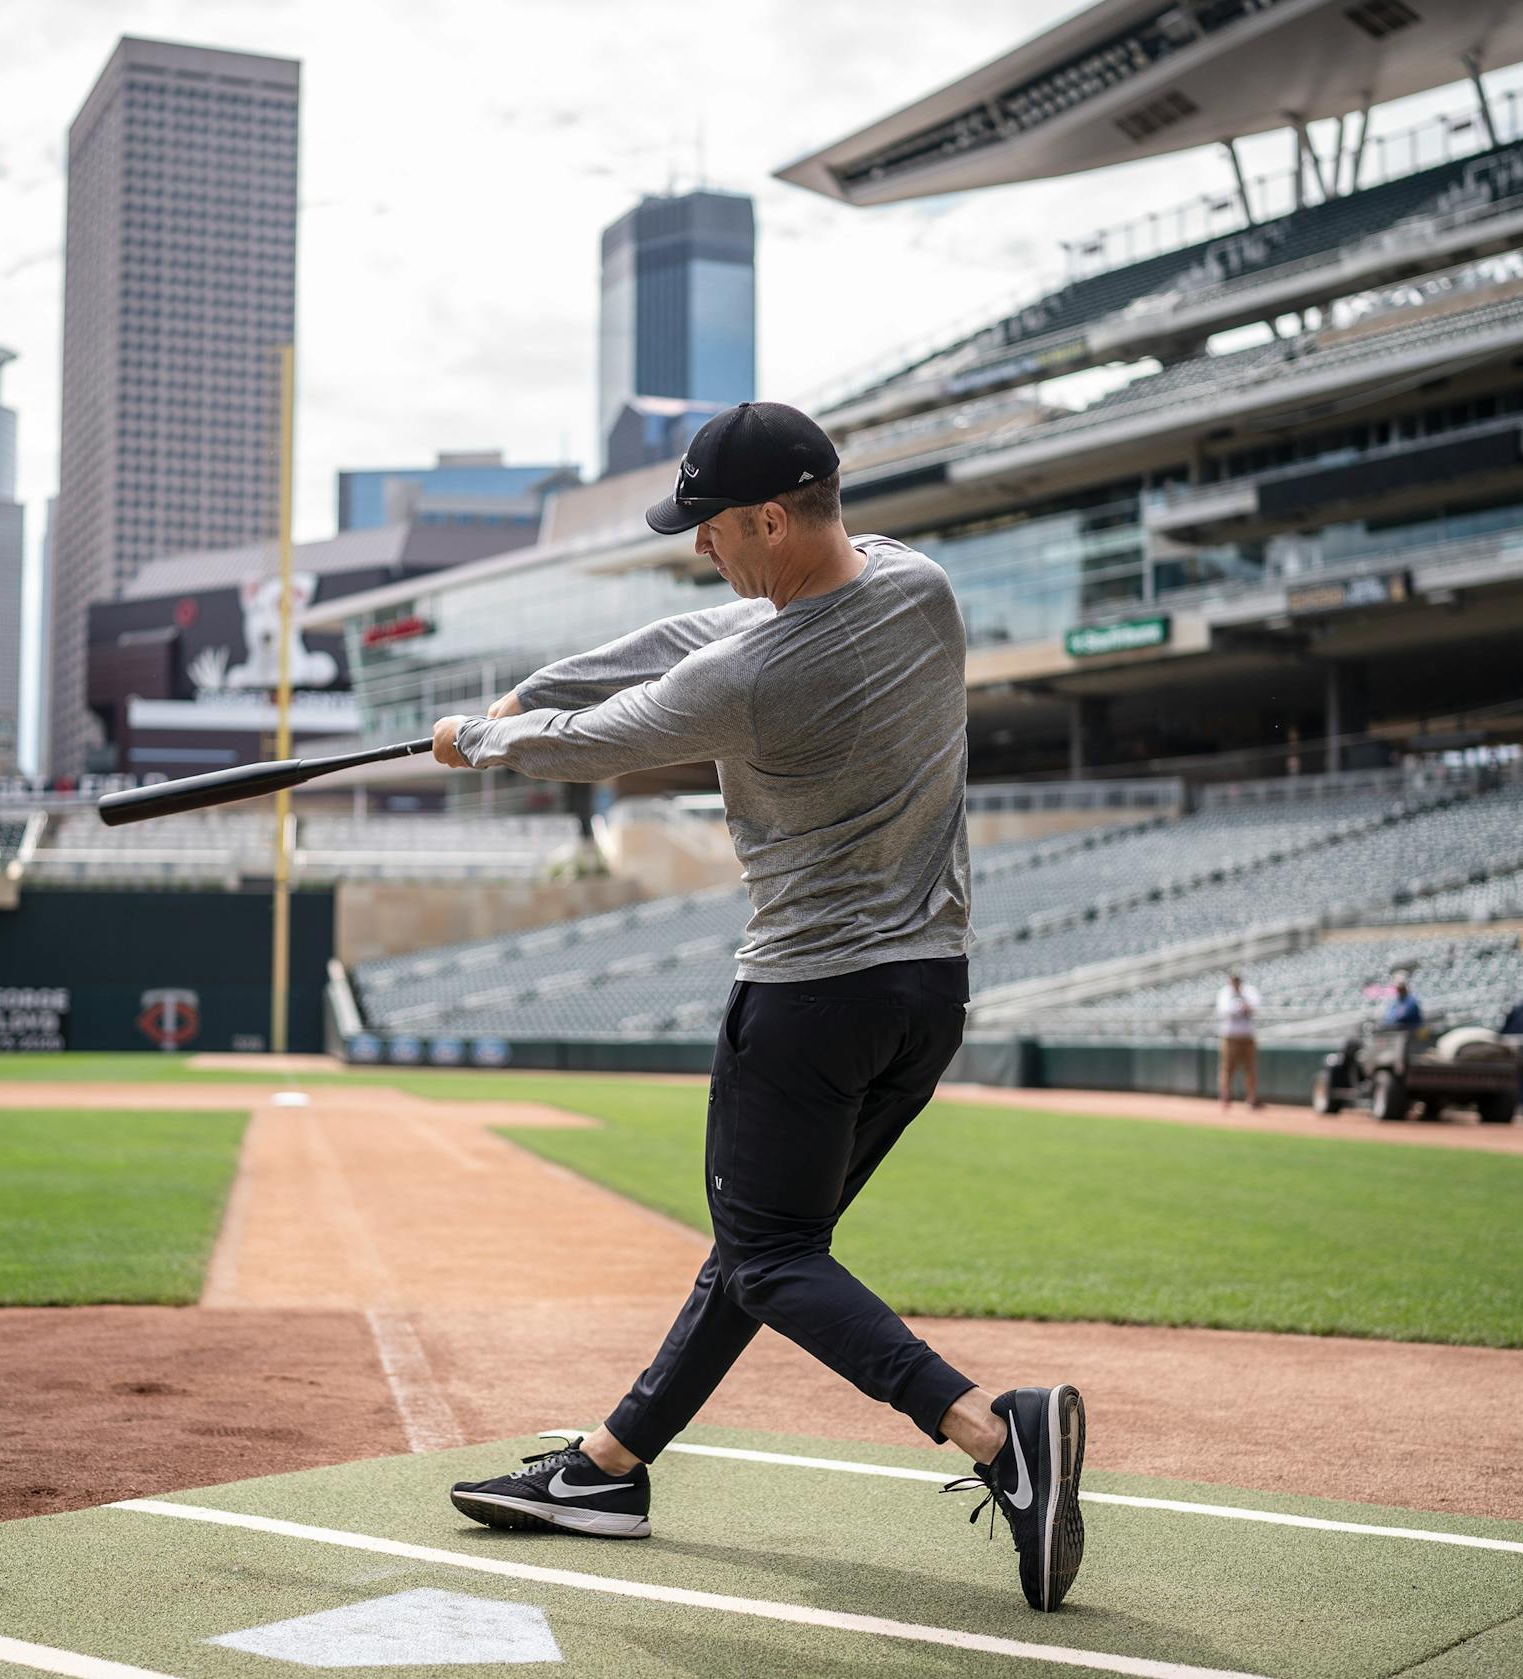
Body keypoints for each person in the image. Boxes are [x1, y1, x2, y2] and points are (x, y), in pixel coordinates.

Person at [428, 402, 1086, 1612]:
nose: (699, 545)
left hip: (808, 996)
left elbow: (603, 739)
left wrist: (480, 737)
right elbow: (695, 625)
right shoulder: (916, 584)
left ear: (772, 518)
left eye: (713, 527)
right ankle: (606, 1471)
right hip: (926, 989)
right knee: (759, 1245)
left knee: (773, 1255)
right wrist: (537, 686)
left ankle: (998, 1435)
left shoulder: (758, 677)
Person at [1214, 971, 1261, 1110]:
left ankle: (1251, 1098)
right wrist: (1241, 1009)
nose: (1236, 982)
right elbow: (1226, 1010)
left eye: (1238, 980)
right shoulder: (1224, 993)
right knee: (1227, 1068)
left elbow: (1255, 1007)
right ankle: (1225, 1097)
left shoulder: (1249, 991)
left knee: (1250, 1068)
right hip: (1230, 1036)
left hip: (1247, 1036)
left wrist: (1244, 1007)